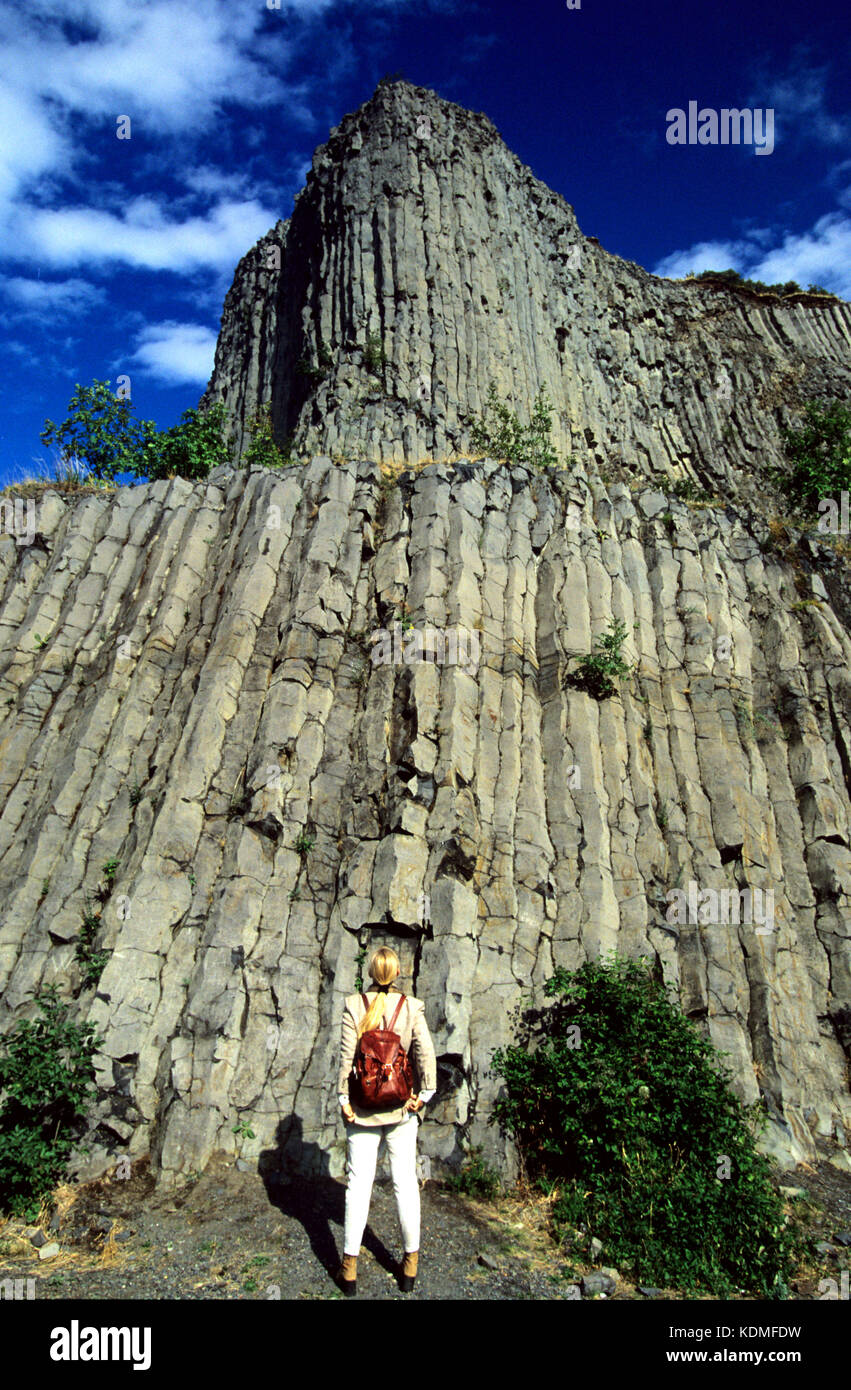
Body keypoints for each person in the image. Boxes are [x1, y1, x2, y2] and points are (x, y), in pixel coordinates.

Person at [336, 946, 437, 1296]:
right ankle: (409, 1264)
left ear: (371, 971)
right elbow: (425, 1053)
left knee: (357, 1186)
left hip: (362, 1109)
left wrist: (342, 1098)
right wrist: (422, 1096)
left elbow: (346, 1055)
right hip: (399, 1109)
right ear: (396, 973)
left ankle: (349, 1268)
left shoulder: (354, 1004)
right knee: (404, 1184)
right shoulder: (411, 1006)